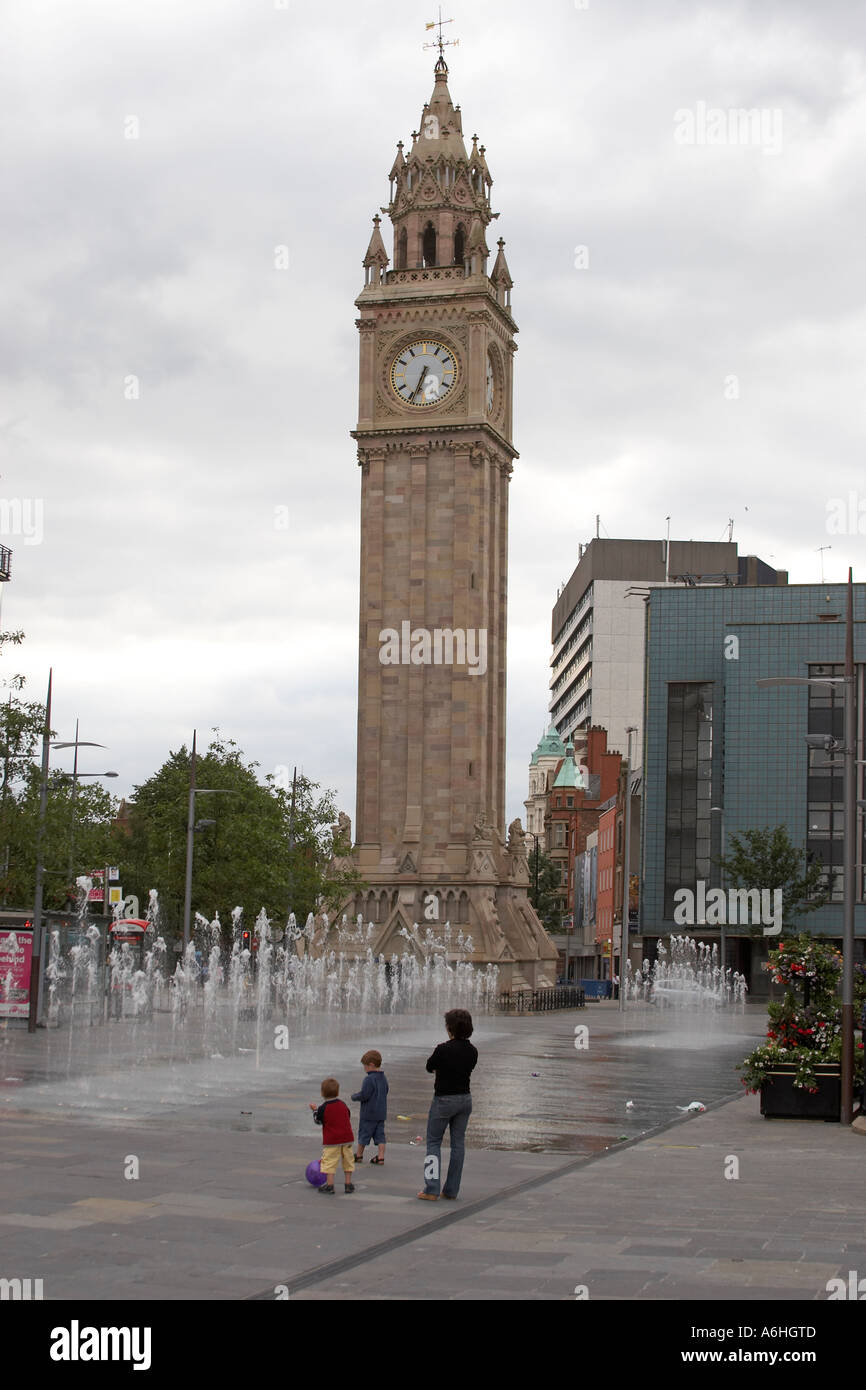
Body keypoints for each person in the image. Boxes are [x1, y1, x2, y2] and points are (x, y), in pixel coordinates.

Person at [418, 1008, 477, 1202]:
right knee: (458, 1144)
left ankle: (431, 1188)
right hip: (465, 1099)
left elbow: (429, 1066)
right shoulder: (472, 1050)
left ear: (449, 1028)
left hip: (444, 1099)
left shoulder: (443, 1049)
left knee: (433, 1142)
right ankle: (451, 1190)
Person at [309, 1078, 355, 1195]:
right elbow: (348, 1115)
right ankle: (348, 1184)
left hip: (332, 1140)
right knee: (348, 1161)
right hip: (347, 1138)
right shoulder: (343, 1104)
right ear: (337, 1092)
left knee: (329, 1162)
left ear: (322, 1093)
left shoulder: (323, 1108)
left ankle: (330, 1186)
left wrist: (315, 1110)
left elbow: (318, 1121)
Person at [352, 1049, 389, 1165]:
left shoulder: (369, 1079)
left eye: (365, 1066)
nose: (364, 1068)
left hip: (368, 1114)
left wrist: (354, 1096)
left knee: (364, 1134)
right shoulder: (383, 1078)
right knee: (380, 1136)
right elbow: (386, 1091)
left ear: (371, 1065)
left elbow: (365, 1095)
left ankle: (358, 1155)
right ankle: (381, 1157)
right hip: (381, 1113)